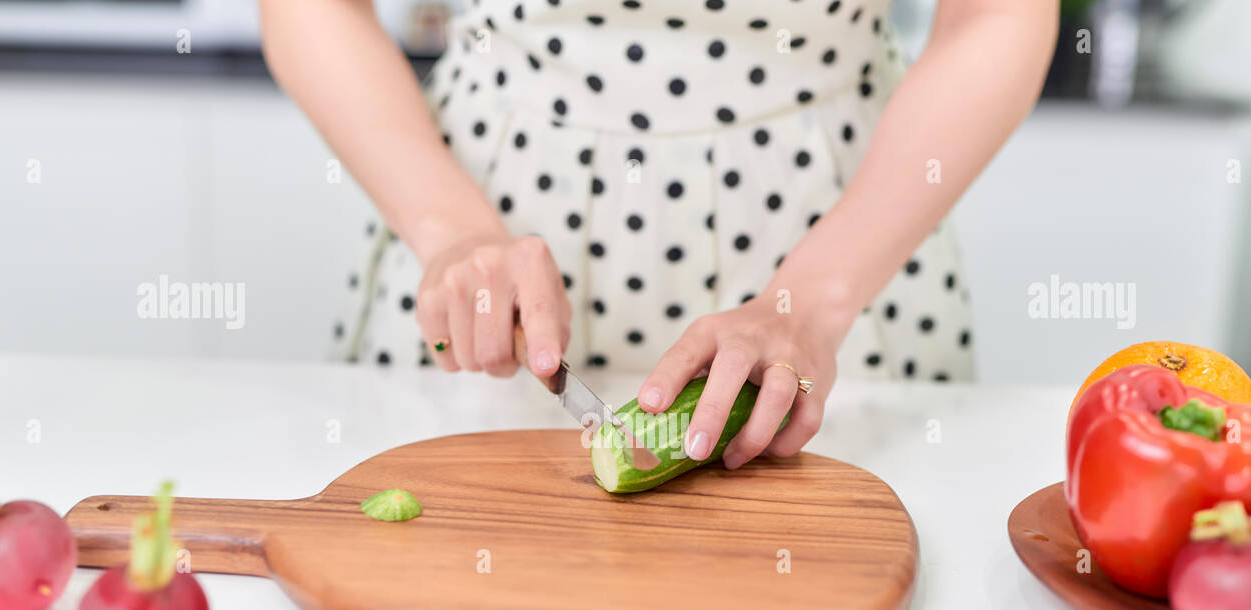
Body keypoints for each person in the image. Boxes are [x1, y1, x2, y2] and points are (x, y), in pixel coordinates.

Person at [261, 0, 1057, 468]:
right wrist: (452, 232)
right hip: (477, 206)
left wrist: (814, 300)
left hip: (841, 233)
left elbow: (998, 15)